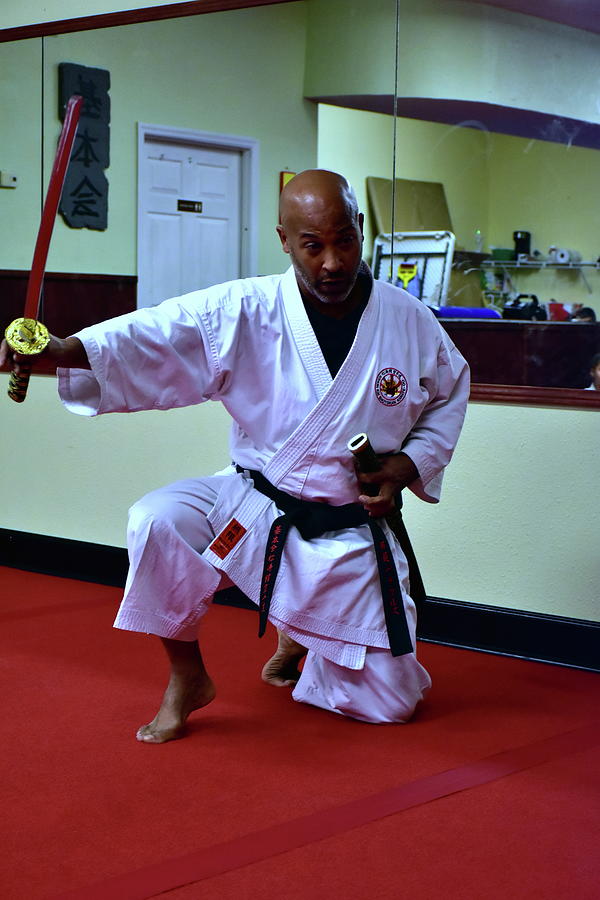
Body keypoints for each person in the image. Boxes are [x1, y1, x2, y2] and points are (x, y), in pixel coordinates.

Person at [1, 170, 469, 743]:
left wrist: (409, 464)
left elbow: (448, 394)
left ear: (361, 228)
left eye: (344, 241)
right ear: (284, 240)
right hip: (254, 509)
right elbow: (158, 335)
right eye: (312, 245)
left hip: (348, 528)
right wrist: (64, 349)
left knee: (390, 703)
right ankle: (187, 676)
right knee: (158, 520)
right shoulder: (247, 308)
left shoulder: (408, 319)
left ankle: (301, 634)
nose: (332, 262)